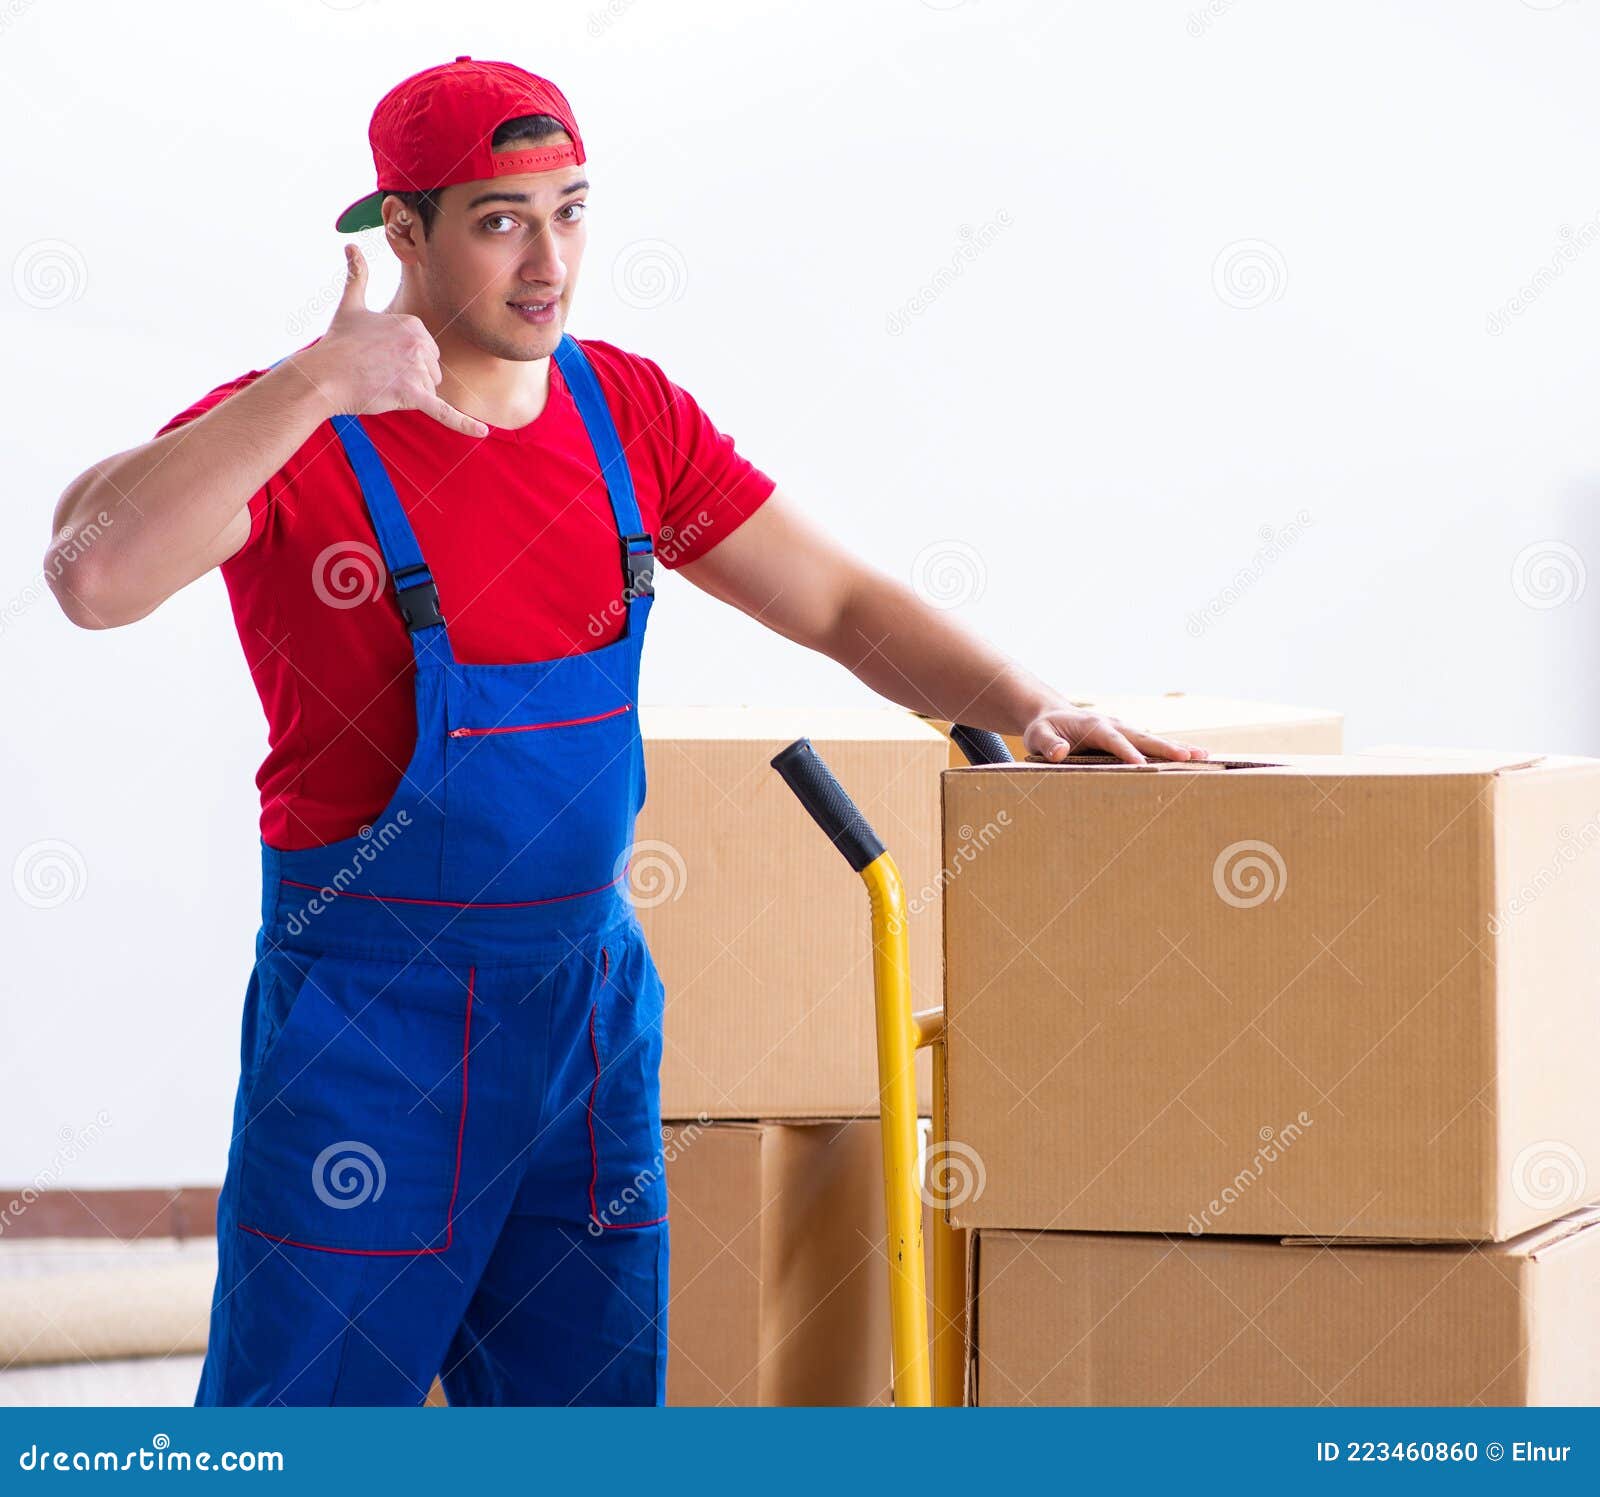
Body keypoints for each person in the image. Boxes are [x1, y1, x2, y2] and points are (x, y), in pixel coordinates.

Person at [45, 56, 1208, 1407]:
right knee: (301, 1428)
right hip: (372, 1022)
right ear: (399, 232)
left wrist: (1019, 701)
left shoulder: (624, 416)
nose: (549, 261)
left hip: (585, 1019)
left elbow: (832, 597)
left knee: (584, 1418)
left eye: (572, 210)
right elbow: (93, 572)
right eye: (499, 219)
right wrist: (311, 382)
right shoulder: (302, 434)